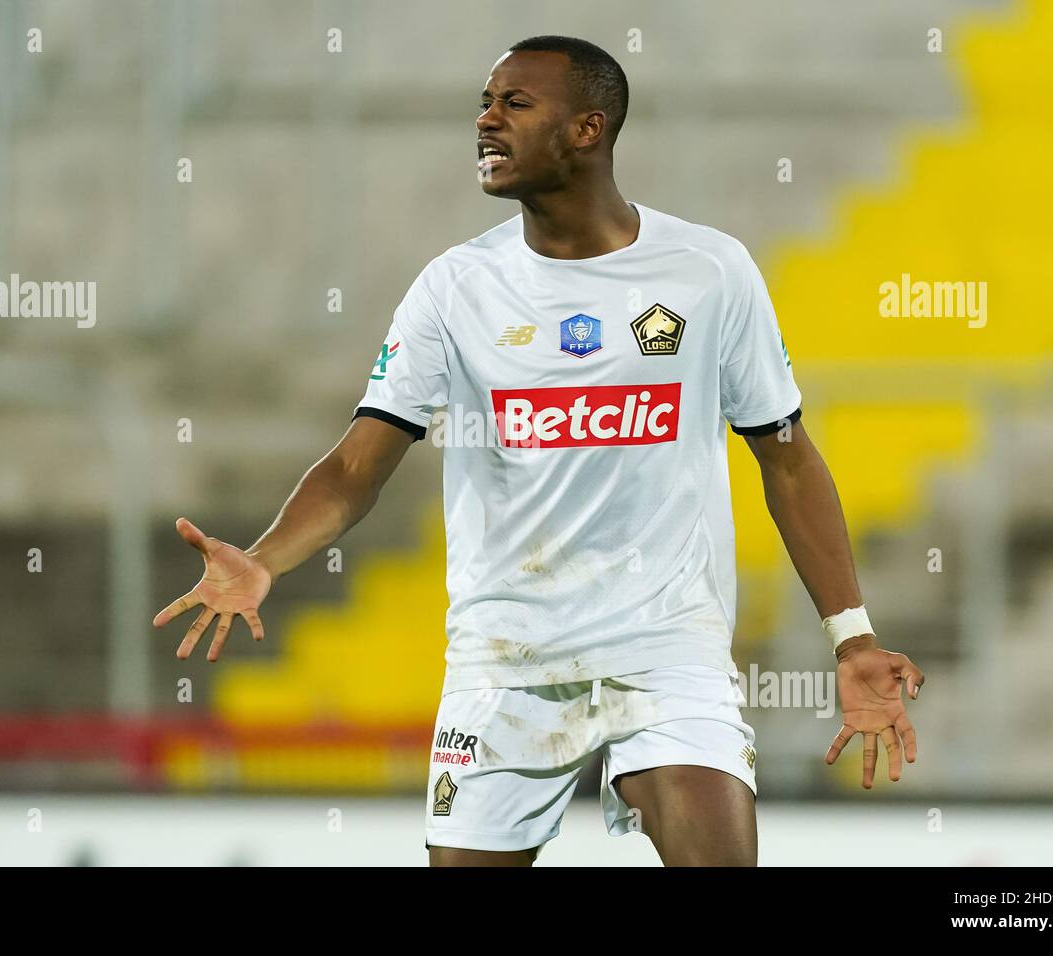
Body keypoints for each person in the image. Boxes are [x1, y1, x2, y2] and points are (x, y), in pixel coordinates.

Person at [153, 35, 925, 867]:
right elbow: (354, 466)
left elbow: (788, 457)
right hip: (504, 660)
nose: (486, 121)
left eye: (514, 104)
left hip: (665, 649)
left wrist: (852, 636)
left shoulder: (710, 272)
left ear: (588, 128)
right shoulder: (455, 288)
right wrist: (266, 562)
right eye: (484, 104)